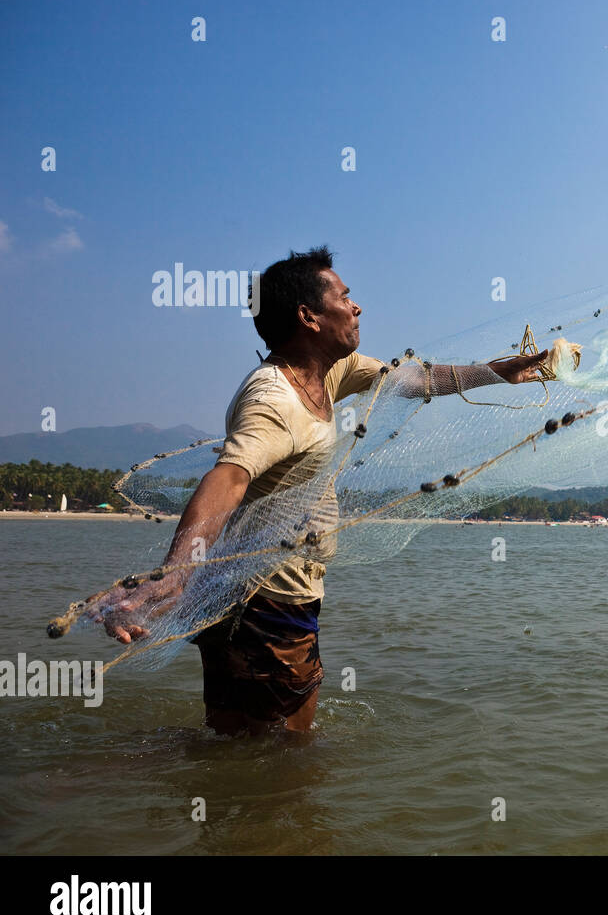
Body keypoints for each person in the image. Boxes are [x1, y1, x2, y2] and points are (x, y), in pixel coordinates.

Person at [93, 246, 548, 735]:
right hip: (272, 599)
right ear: (309, 317)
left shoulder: (328, 371)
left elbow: (415, 379)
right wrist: (177, 572)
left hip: (238, 597)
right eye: (346, 297)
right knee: (292, 757)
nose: (357, 307)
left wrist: (500, 372)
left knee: (231, 743)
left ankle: (177, 797)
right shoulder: (273, 399)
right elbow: (227, 477)